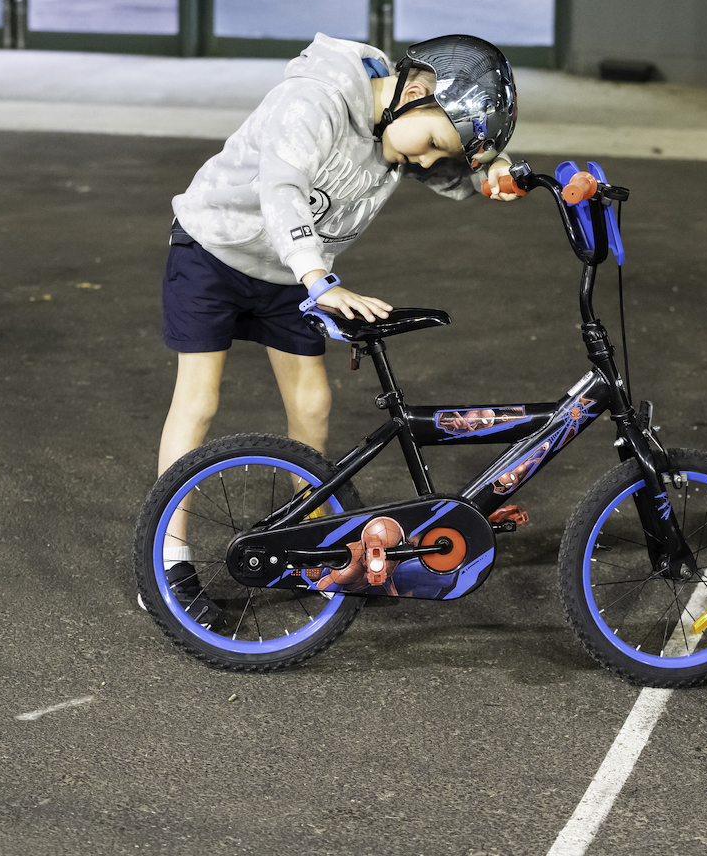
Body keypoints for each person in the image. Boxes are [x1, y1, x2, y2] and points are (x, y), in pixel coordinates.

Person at [155, 33, 519, 625]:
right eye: (431, 141)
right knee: (198, 401)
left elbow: (438, 165)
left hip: (287, 270)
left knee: (314, 403)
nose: (426, 160)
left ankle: (305, 541)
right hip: (213, 249)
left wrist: (487, 173)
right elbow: (282, 186)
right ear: (415, 91)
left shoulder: (400, 129)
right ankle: (167, 563)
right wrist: (321, 281)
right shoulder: (316, 99)